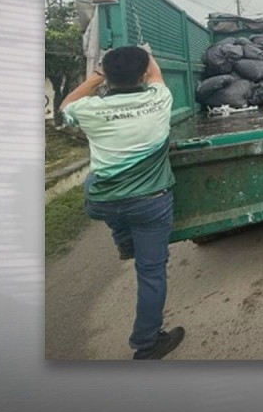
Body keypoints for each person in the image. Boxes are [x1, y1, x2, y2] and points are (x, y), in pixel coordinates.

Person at [60, 45, 185, 360]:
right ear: (144, 73)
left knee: (96, 186)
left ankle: (124, 240)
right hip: (149, 204)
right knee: (151, 271)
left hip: (103, 201)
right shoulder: (158, 99)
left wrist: (98, 75)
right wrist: (148, 53)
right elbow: (155, 74)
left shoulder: (88, 108)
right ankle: (147, 344)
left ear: (106, 75)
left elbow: (65, 105)